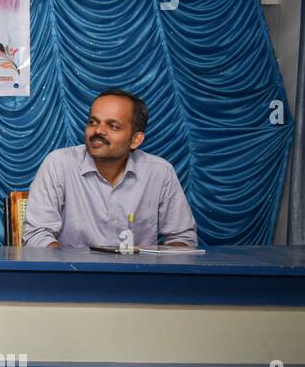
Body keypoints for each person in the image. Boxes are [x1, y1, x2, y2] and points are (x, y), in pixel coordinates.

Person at [23, 89, 197, 249]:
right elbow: (37, 235)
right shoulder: (59, 164)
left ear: (136, 139)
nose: (98, 130)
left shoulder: (160, 172)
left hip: (138, 278)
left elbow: (182, 237)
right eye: (93, 122)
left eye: (113, 126)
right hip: (73, 276)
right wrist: (72, 268)